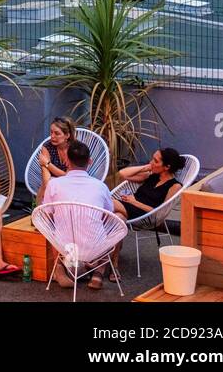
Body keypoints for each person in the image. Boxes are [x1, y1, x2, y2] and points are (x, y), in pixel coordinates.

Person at [39, 139, 120, 289]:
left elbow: (46, 214)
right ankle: (98, 274)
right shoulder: (100, 186)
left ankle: (61, 269)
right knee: (112, 228)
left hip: (65, 246)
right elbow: (108, 214)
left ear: (67, 161)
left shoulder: (54, 184)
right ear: (90, 161)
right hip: (94, 246)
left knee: (51, 227)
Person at [112, 148, 186, 222]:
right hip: (129, 208)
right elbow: (123, 174)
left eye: (156, 161)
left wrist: (133, 202)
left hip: (145, 215)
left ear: (167, 167)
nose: (151, 162)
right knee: (117, 217)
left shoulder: (175, 186)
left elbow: (160, 213)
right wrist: (147, 167)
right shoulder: (152, 176)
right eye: (152, 159)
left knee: (109, 203)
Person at [34, 116, 78, 204]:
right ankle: (40, 213)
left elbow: (70, 176)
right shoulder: (47, 147)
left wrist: (47, 164)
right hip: (51, 186)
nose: (52, 136)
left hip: (72, 185)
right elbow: (46, 180)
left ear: (67, 135)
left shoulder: (75, 149)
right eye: (51, 132)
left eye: (57, 133)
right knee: (45, 186)